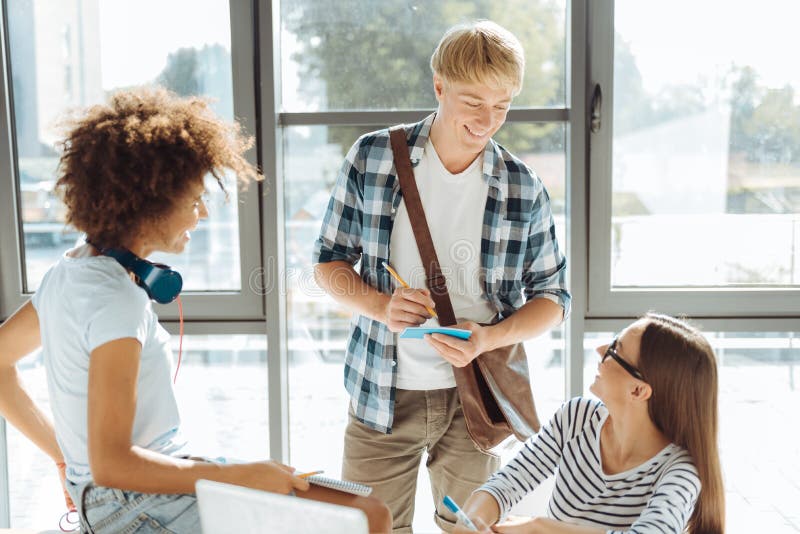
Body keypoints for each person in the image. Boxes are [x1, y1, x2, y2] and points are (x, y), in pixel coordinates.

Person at [0, 88, 390, 533]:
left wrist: (64, 455)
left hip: (132, 489)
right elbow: (111, 464)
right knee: (365, 515)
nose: (203, 212)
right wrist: (237, 475)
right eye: (193, 200)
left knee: (367, 510)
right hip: (133, 503)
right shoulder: (115, 300)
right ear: (148, 203)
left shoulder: (68, 272)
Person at [313, 20, 570, 533]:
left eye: (502, 105)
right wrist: (380, 307)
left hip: (475, 399)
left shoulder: (522, 186)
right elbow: (327, 264)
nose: (488, 120)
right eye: (473, 102)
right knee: (367, 528)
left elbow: (554, 297)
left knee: (472, 531)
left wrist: (489, 338)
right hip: (379, 393)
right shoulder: (373, 158)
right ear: (438, 87)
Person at [453, 313, 725, 534]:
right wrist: (473, 520)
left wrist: (541, 529)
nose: (600, 349)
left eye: (616, 349)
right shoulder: (575, 418)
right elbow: (508, 483)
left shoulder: (680, 470)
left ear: (638, 391)